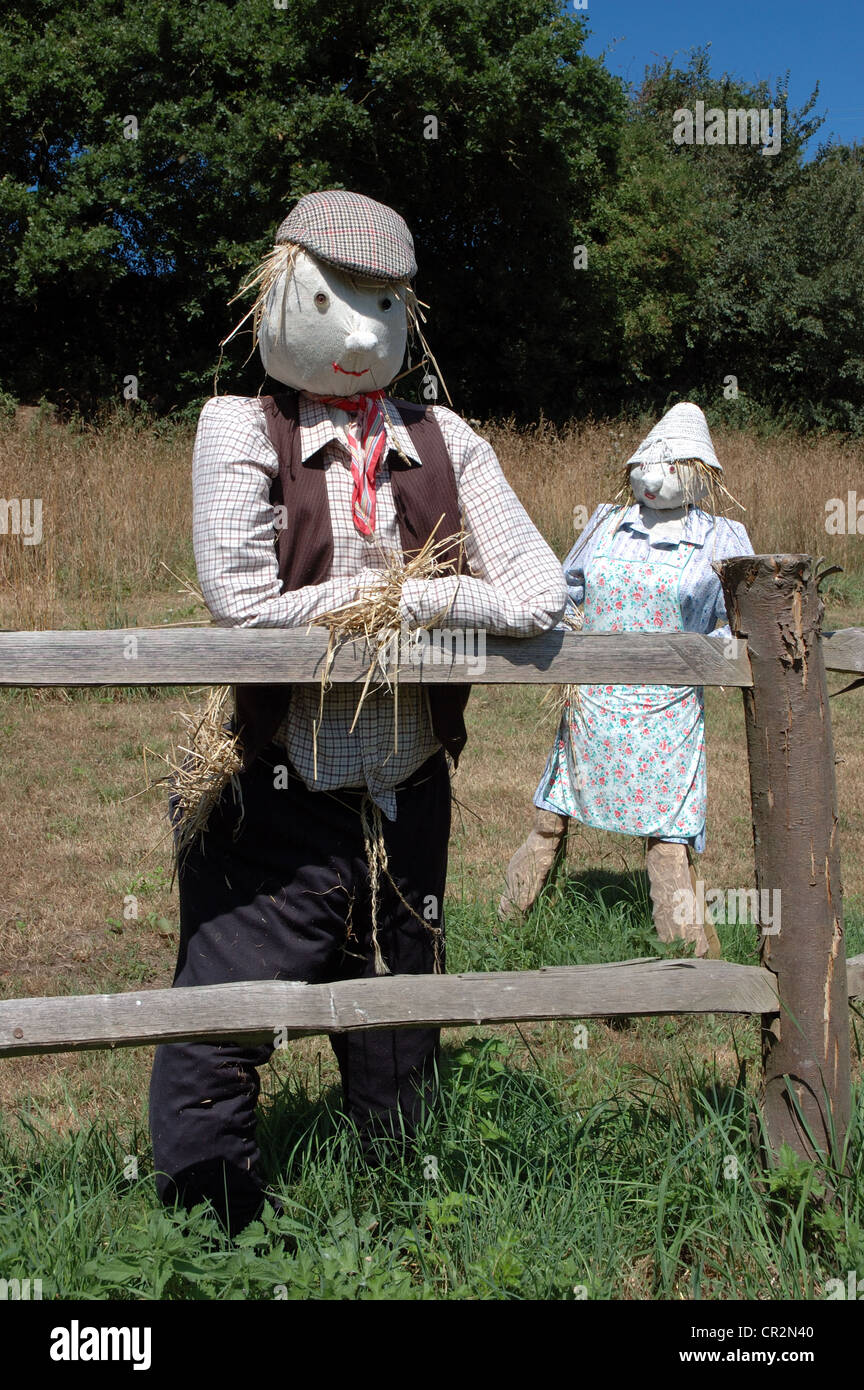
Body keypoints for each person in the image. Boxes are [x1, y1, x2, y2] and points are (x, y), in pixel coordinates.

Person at [148, 190, 567, 1234]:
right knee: (227, 1007)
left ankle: (402, 1198)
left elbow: (538, 592)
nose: (361, 329)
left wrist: (413, 598)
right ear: (276, 293)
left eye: (386, 305)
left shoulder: (447, 439)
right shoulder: (241, 427)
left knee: (399, 1006)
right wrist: (401, 603)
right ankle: (214, 1215)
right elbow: (246, 607)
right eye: (336, 298)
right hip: (279, 780)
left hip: (409, 781)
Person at [499, 402, 754, 956]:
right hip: (593, 704)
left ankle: (686, 956)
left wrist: (707, 654)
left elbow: (742, 620)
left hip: (665, 714)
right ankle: (509, 925)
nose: (651, 476)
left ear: (699, 473)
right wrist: (570, 637)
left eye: (668, 465)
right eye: (643, 463)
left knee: (666, 833)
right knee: (552, 816)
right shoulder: (607, 523)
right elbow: (568, 591)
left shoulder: (720, 536)